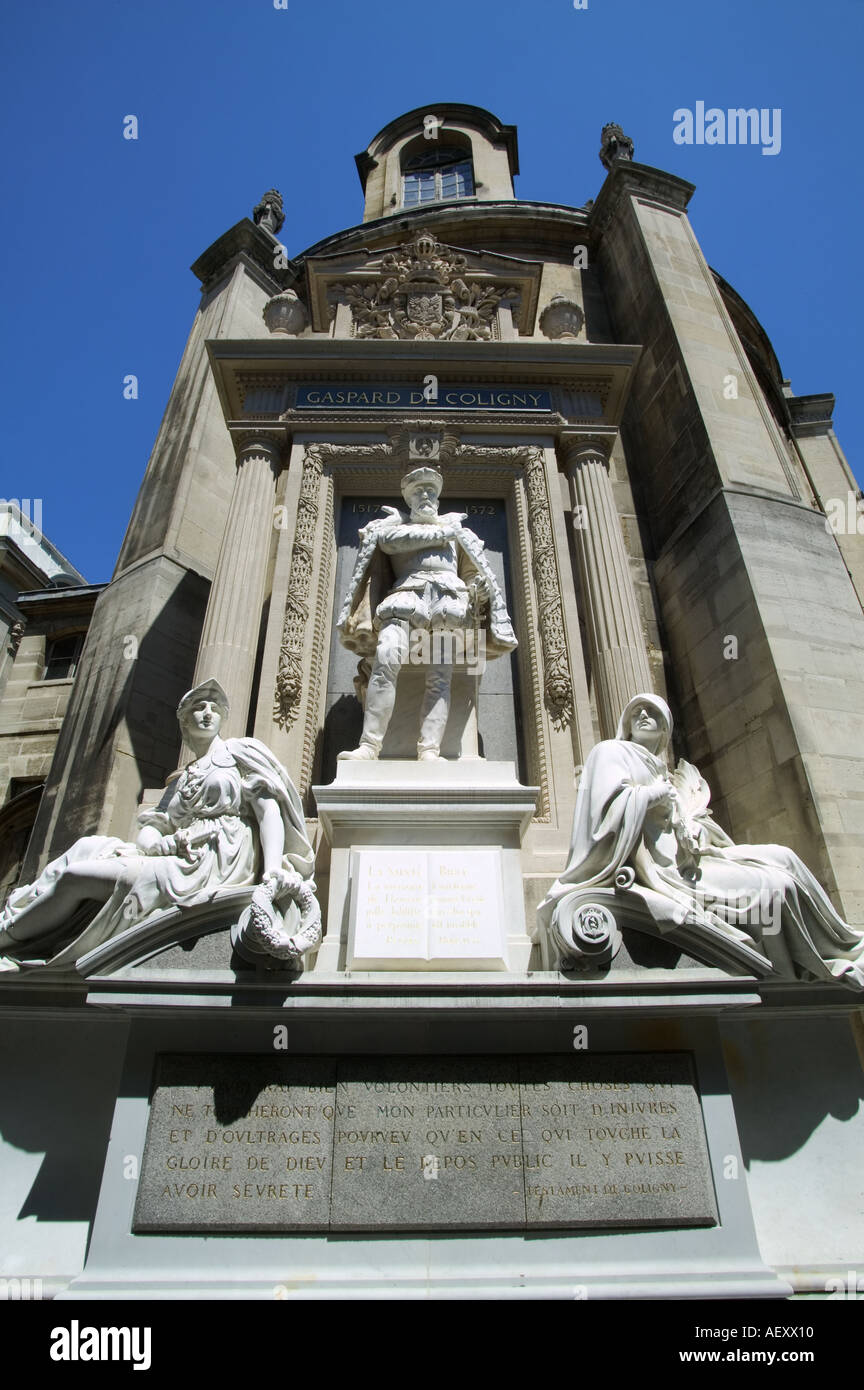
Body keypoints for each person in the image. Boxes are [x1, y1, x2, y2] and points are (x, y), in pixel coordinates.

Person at [538, 692, 864, 987]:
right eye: (636, 710)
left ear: (665, 727)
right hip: (663, 873)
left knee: (783, 856)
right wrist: (652, 796)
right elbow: (608, 813)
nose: (642, 715)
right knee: (777, 888)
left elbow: (690, 830)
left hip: (691, 861)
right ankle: (811, 969)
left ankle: (849, 946)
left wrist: (693, 831)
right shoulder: (610, 752)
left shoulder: (662, 772)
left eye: (652, 711)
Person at [0, 679, 315, 970]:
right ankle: (17, 928)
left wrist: (273, 869)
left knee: (75, 877)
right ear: (185, 722)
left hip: (212, 862)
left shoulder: (238, 752)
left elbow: (267, 807)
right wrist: (152, 842)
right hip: (178, 857)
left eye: (214, 708)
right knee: (86, 847)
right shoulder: (186, 775)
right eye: (198, 708)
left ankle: (9, 937)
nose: (208, 713)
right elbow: (155, 825)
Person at [335, 466, 517, 761]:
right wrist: (446, 530)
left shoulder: (461, 536)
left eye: (431, 492)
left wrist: (478, 588)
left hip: (449, 602)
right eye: (418, 492)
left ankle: (429, 749)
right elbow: (391, 544)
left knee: (440, 676)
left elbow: (471, 572)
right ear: (408, 500)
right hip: (405, 597)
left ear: (438, 498)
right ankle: (369, 747)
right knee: (385, 660)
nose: (426, 496)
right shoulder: (395, 530)